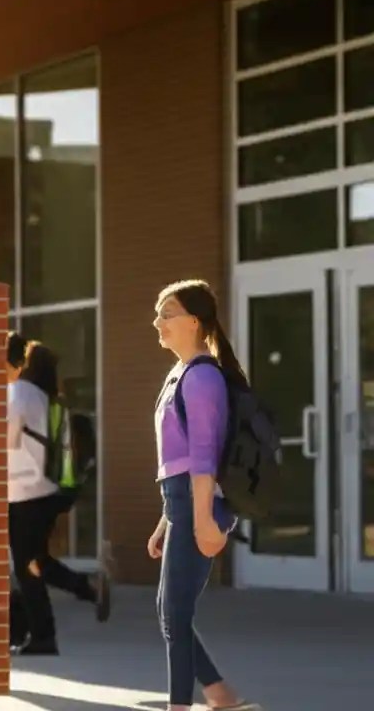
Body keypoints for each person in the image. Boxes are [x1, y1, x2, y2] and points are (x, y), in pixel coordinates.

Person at [150, 280, 258, 711]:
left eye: (167, 313)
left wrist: (202, 521)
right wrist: (165, 519)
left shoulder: (203, 378)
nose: (157, 321)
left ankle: (182, 705)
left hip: (200, 502)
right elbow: (174, 462)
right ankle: (219, 694)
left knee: (175, 614)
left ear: (193, 322)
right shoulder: (178, 374)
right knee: (168, 610)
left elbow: (202, 459)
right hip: (180, 502)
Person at [5, 332, 109, 656]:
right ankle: (85, 591)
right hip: (46, 492)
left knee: (27, 567)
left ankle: (42, 636)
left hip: (23, 493)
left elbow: (5, 441)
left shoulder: (18, 393)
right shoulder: (48, 399)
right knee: (35, 561)